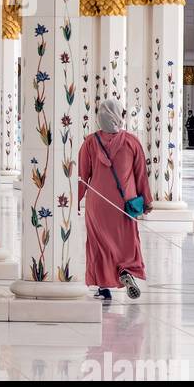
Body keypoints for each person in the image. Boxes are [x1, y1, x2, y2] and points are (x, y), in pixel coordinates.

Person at [78, 98, 151, 301]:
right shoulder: (131, 142)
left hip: (98, 204)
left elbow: (82, 177)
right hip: (123, 205)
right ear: (119, 115)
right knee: (126, 242)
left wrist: (73, 201)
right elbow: (140, 175)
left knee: (99, 245)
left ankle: (103, 288)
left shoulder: (90, 143)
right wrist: (146, 201)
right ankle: (126, 270)